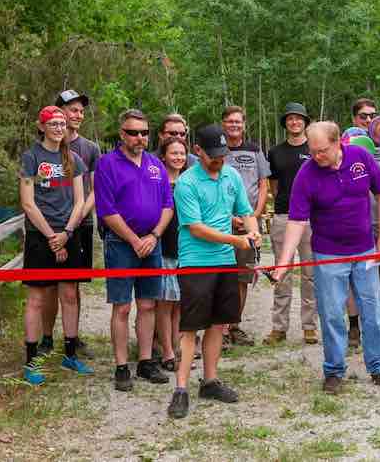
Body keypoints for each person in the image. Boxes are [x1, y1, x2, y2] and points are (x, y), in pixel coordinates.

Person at [274, 122, 380, 394]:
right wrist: (285, 261)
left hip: (365, 251)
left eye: (322, 151)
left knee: (373, 312)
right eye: (312, 151)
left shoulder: (361, 158)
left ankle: (378, 366)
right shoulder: (306, 174)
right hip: (328, 255)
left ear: (337, 143)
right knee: (331, 314)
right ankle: (333, 369)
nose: (316, 156)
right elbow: (297, 221)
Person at [168, 124, 261, 419]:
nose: (219, 160)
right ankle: (180, 389)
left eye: (223, 154)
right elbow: (195, 228)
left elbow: (245, 211)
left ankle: (210, 381)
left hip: (224, 262)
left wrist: (254, 231)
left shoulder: (231, 175)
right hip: (196, 262)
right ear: (198, 151)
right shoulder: (186, 183)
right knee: (190, 327)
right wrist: (236, 240)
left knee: (219, 324)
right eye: (213, 155)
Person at [94, 109, 172, 391]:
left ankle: (146, 361)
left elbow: (167, 205)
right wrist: (133, 239)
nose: (139, 138)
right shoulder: (107, 164)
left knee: (149, 303)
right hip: (120, 243)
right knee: (123, 306)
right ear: (121, 134)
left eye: (144, 132)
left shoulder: (155, 164)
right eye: (133, 132)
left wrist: (153, 235)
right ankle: (121, 366)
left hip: (152, 241)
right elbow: (106, 209)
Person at [18, 106, 93, 385]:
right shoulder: (31, 157)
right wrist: (51, 236)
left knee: (69, 295)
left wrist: (67, 232)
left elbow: (80, 200)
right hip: (40, 234)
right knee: (37, 298)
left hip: (68, 233)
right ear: (42, 126)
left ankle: (70, 354)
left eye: (62, 123)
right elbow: (27, 202)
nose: (60, 128)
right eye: (54, 123)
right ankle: (32, 360)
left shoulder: (73, 158)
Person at [38, 90, 99, 358]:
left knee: (72, 285)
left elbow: (95, 189)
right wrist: (55, 229)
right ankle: (47, 337)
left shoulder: (90, 149)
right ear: (59, 112)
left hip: (80, 225)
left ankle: (72, 338)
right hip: (49, 227)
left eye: (81, 111)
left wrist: (75, 221)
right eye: (72, 110)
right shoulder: (43, 147)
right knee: (49, 286)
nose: (78, 115)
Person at [263, 102, 318, 346]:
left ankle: (309, 327)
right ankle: (279, 327)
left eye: (299, 118)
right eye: (290, 119)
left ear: (305, 122)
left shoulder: (314, 148)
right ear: (285, 123)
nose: (294, 122)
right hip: (284, 216)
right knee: (281, 273)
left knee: (310, 275)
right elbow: (273, 186)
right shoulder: (275, 152)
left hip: (311, 217)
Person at [345, 98, 380, 348]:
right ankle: (354, 328)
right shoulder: (345, 147)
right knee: (353, 276)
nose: (369, 121)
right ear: (355, 119)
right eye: (364, 116)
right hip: (354, 223)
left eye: (373, 116)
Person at [221, 105, 270, 347]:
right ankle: (219, 330)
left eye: (238, 122)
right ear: (223, 124)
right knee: (221, 274)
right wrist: (229, 217)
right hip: (220, 223)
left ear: (243, 124)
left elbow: (263, 184)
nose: (234, 125)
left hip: (250, 222)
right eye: (230, 121)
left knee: (242, 276)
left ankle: (235, 325)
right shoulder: (216, 150)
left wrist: (255, 216)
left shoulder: (254, 150)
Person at [156, 136, 187, 371]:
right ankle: (166, 351)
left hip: (186, 250)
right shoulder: (156, 182)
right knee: (165, 303)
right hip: (165, 249)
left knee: (180, 304)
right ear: (164, 156)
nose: (178, 157)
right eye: (174, 153)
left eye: (181, 153)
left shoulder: (189, 182)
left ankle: (178, 349)